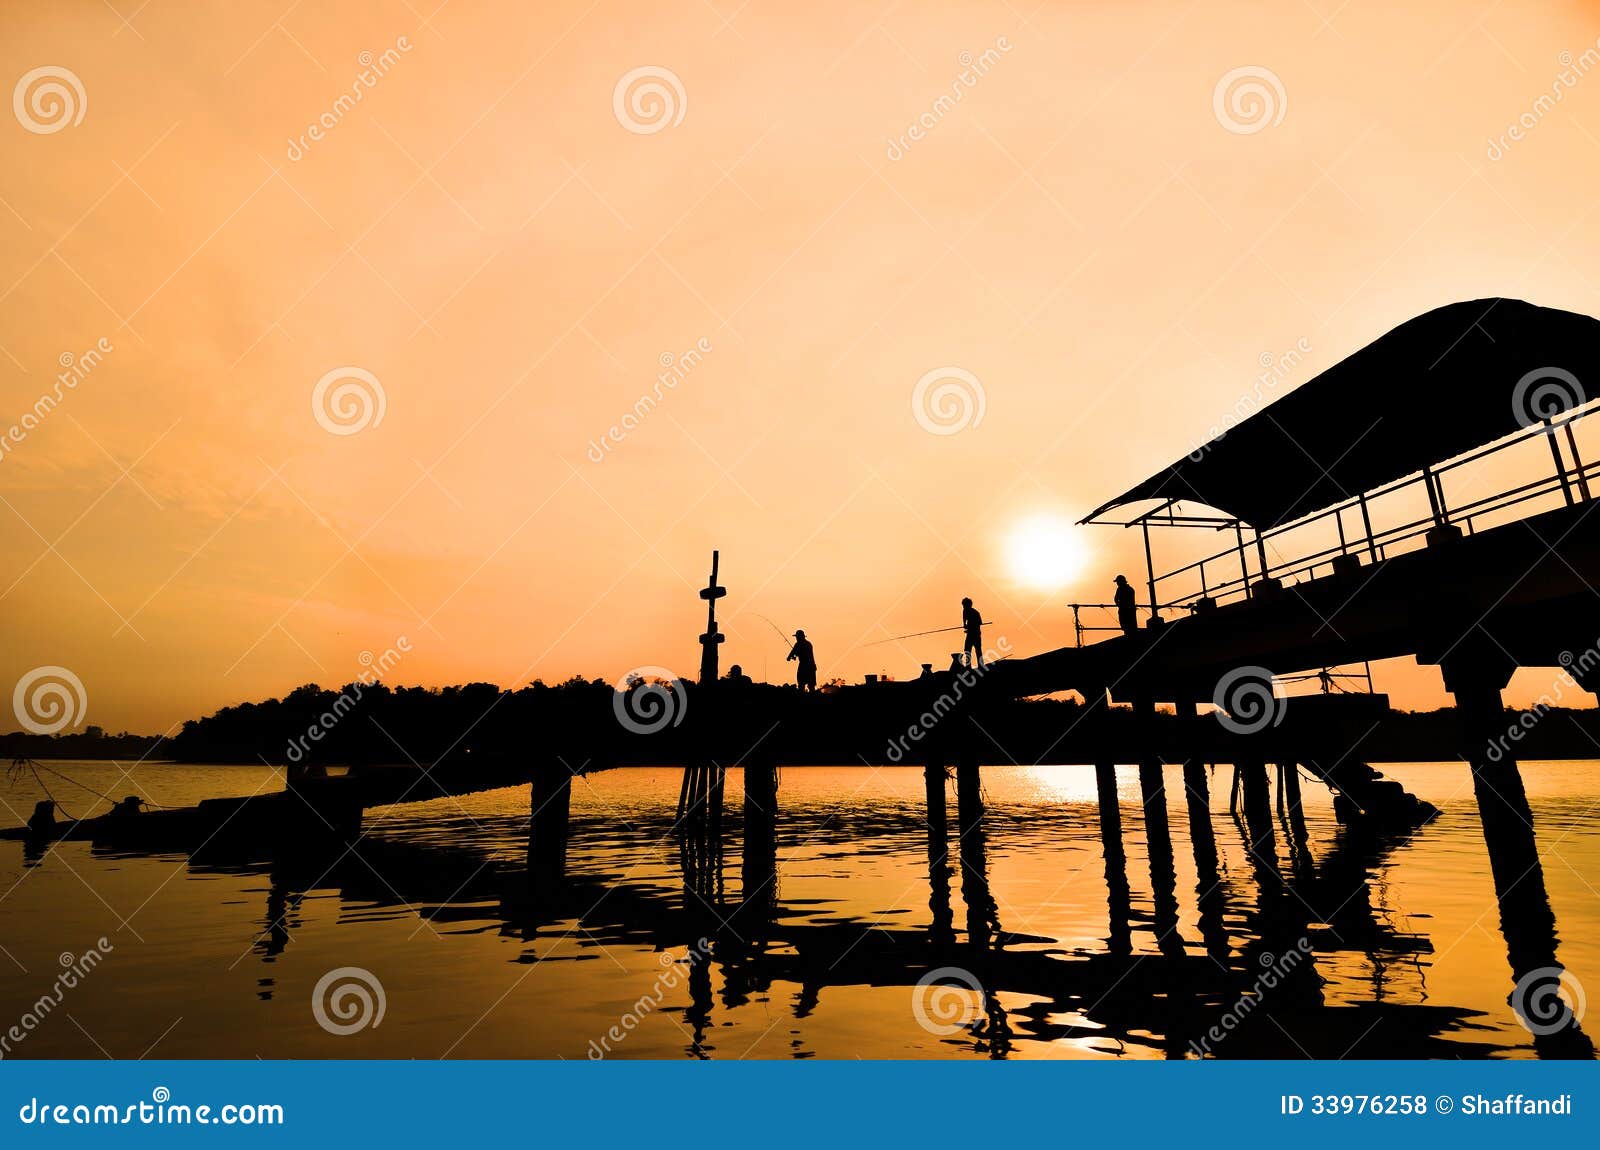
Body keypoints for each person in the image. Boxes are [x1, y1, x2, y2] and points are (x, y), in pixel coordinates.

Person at [961, 597, 985, 669]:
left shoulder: (975, 613)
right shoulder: (965, 610)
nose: (964, 607)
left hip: (976, 634)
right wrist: (965, 625)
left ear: (969, 605)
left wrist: (968, 626)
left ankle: (980, 666)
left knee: (977, 650)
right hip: (971, 634)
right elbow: (964, 620)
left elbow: (979, 623)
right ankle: (968, 666)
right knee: (968, 650)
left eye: (964, 605)